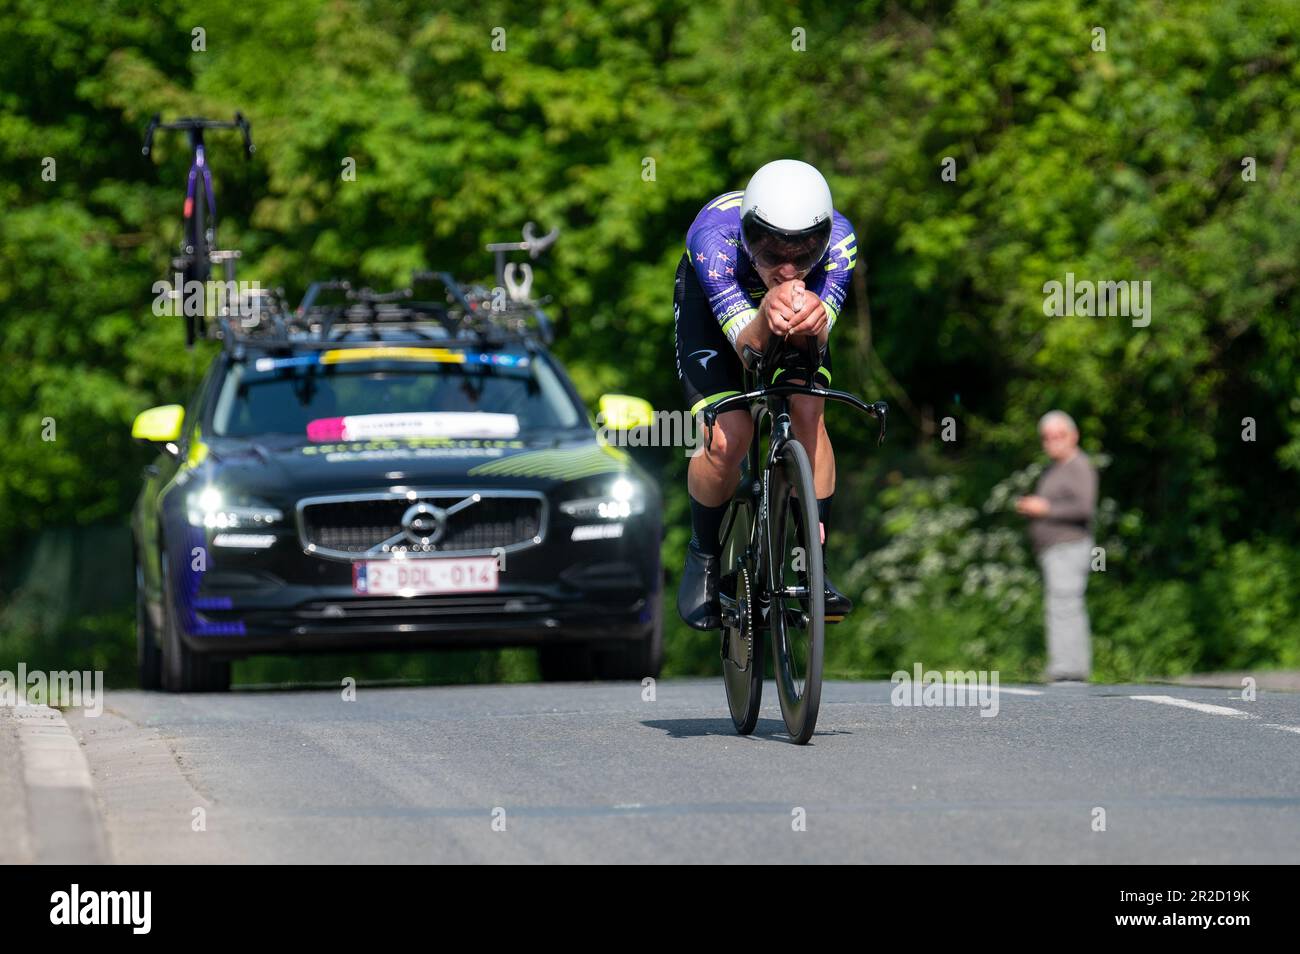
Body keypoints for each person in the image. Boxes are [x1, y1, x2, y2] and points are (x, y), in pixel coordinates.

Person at [673, 159, 857, 630]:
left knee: (808, 410)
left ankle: (811, 563)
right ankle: (705, 555)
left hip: (794, 315)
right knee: (726, 437)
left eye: (804, 252)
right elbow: (748, 349)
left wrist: (814, 324)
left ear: (823, 238)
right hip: (718, 316)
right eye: (771, 252)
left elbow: (814, 346)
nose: (788, 267)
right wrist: (766, 313)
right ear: (747, 233)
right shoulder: (713, 241)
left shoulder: (841, 243)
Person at [1016, 410, 1098, 681]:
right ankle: (1066, 667)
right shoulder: (1055, 468)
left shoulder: (1078, 465)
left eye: (1059, 435)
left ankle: (1069, 670)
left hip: (1069, 546)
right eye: (1047, 437)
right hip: (1055, 549)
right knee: (1059, 604)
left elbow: (1084, 508)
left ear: (1073, 435)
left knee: (1065, 604)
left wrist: (1044, 508)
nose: (1052, 442)